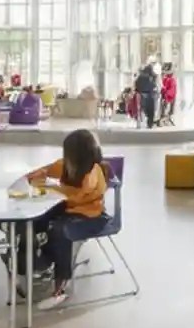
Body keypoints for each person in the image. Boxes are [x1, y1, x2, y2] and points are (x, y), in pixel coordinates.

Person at [9, 129, 112, 310]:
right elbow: (48, 169)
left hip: (91, 216)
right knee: (32, 218)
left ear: (79, 156)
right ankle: (27, 263)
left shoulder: (93, 173)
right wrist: (30, 177)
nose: (66, 158)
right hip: (70, 208)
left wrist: (51, 189)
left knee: (59, 231)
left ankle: (60, 284)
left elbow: (78, 195)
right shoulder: (67, 165)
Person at [135, 63, 158, 129]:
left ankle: (142, 122)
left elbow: (137, 84)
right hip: (150, 94)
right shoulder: (151, 76)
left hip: (142, 94)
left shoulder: (141, 76)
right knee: (151, 110)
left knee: (142, 109)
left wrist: (139, 91)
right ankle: (149, 124)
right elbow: (153, 85)